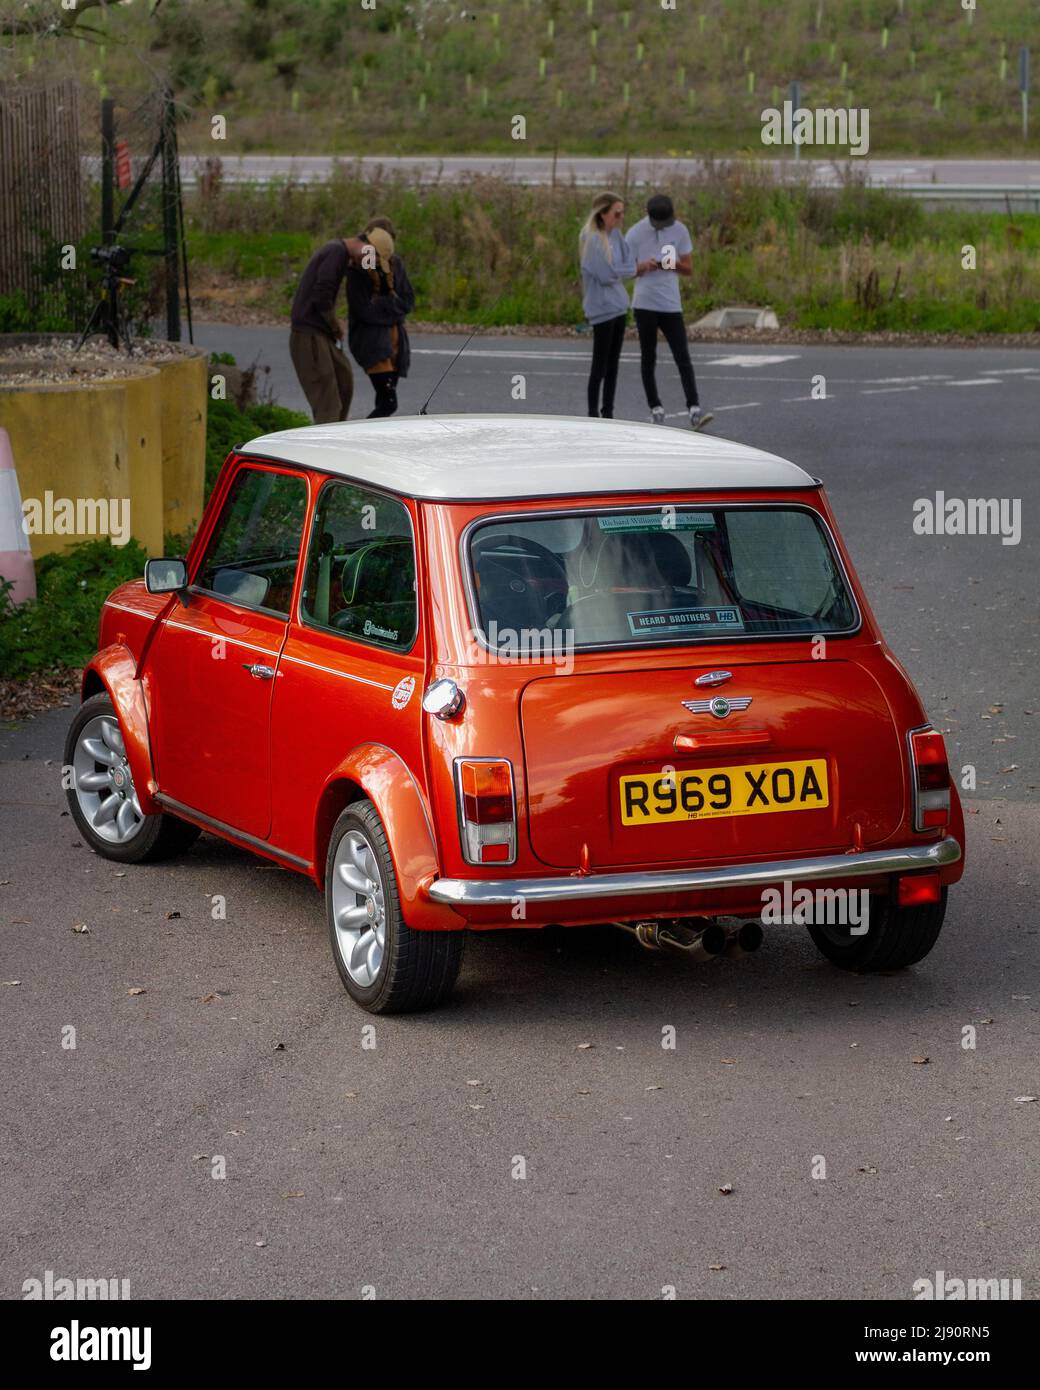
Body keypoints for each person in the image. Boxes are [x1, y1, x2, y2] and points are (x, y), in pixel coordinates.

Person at [626, 193, 712, 430]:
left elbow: (689, 268)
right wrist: (642, 267)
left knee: (682, 355)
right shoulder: (634, 234)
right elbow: (624, 269)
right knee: (648, 356)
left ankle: (694, 408)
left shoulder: (680, 231)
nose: (664, 227)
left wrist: (670, 264)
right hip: (644, 303)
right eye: (659, 223)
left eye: (667, 222)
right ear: (648, 215)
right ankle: (655, 408)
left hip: (671, 303)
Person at [289, 234, 367, 424]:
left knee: (343, 382)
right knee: (328, 403)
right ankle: (322, 448)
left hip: (322, 333)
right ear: (363, 243)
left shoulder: (342, 254)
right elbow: (322, 293)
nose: (366, 261)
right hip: (309, 333)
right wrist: (334, 325)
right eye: (368, 254)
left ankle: (335, 438)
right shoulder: (336, 251)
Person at [346, 227, 415, 418]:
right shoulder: (358, 269)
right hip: (372, 344)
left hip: (395, 342)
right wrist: (393, 307)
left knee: (384, 402)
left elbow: (408, 301)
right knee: (388, 403)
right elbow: (364, 311)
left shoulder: (394, 262)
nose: (377, 263)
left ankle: (373, 440)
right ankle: (361, 438)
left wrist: (383, 306)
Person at [579, 192, 636, 419]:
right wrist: (622, 270)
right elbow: (605, 274)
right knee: (599, 366)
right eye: (616, 213)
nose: (620, 218)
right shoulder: (591, 238)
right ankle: (593, 414)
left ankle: (608, 412)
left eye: (622, 213)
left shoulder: (616, 236)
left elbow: (630, 265)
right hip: (601, 307)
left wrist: (622, 270)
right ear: (602, 214)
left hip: (618, 305)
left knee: (613, 365)